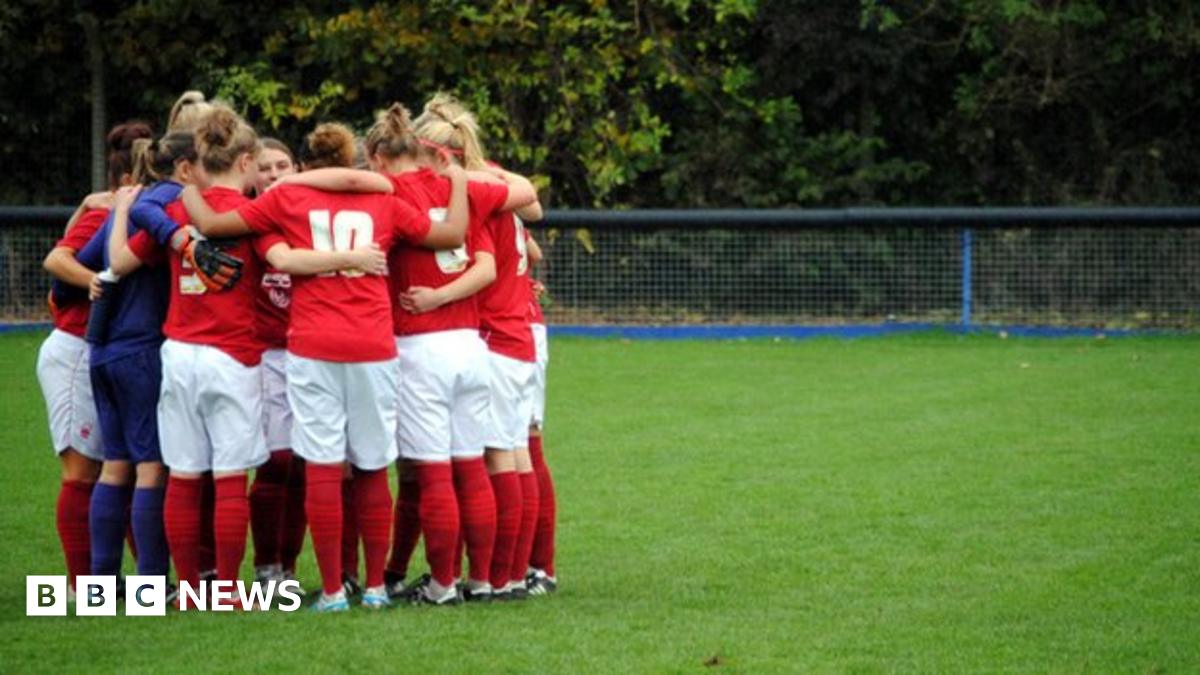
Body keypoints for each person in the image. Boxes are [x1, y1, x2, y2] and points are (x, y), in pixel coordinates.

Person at [180, 121, 471, 612]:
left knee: (320, 465)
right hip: (373, 343)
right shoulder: (384, 196)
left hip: (313, 343)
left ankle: (333, 591)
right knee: (374, 466)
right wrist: (459, 181)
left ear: (306, 163)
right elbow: (449, 233)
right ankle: (376, 587)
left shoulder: (285, 199)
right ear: (354, 156)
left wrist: (188, 190)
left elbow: (212, 227)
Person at [363, 102, 538, 604]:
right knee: (472, 465)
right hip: (471, 345)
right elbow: (526, 197)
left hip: (420, 345)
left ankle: (442, 586)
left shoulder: (386, 193)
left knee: (435, 472)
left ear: (377, 156)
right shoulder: (464, 189)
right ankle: (482, 580)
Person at [413, 93, 544, 599]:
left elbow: (487, 263)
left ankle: (490, 576)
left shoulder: (470, 193)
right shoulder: (495, 183)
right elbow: (532, 202)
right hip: (516, 333)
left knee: (494, 460)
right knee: (514, 455)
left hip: (491, 334)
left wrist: (435, 298)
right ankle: (509, 575)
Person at [76, 130, 205, 585]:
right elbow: (119, 262)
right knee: (152, 466)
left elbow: (79, 262)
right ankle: (152, 580)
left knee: (116, 465)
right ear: (186, 167)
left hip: (105, 351)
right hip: (141, 350)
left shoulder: (132, 203)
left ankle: (101, 583)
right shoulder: (175, 204)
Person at [39, 121, 152, 596]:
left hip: (109, 349)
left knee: (118, 466)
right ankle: (79, 584)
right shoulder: (105, 210)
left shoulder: (124, 209)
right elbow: (56, 259)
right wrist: (93, 278)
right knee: (82, 470)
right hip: (75, 349)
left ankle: (128, 576)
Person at [247, 137, 307, 584]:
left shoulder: (312, 221)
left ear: (298, 169)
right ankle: (265, 564)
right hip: (265, 354)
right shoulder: (245, 223)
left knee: (309, 465)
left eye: (282, 165)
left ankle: (289, 565)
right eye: (264, 167)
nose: (272, 175)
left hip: (312, 352)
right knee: (276, 461)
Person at [524, 234, 558, 595]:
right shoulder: (496, 181)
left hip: (514, 326)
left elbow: (531, 250)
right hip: (499, 322)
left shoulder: (488, 181)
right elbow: (532, 250)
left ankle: (539, 567)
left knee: (524, 448)